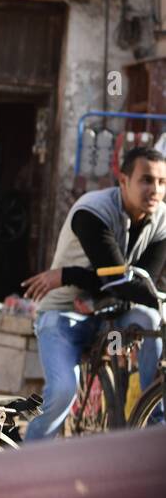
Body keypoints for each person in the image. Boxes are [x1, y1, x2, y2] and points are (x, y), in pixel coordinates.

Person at [21, 147, 166, 439]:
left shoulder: (162, 220)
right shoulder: (92, 211)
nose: (155, 190)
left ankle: (155, 420)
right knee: (63, 391)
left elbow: (142, 285)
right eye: (146, 180)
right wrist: (108, 285)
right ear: (123, 180)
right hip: (63, 312)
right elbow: (118, 281)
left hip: (113, 310)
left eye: (163, 182)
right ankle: (25, 461)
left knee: (150, 318)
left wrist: (69, 276)